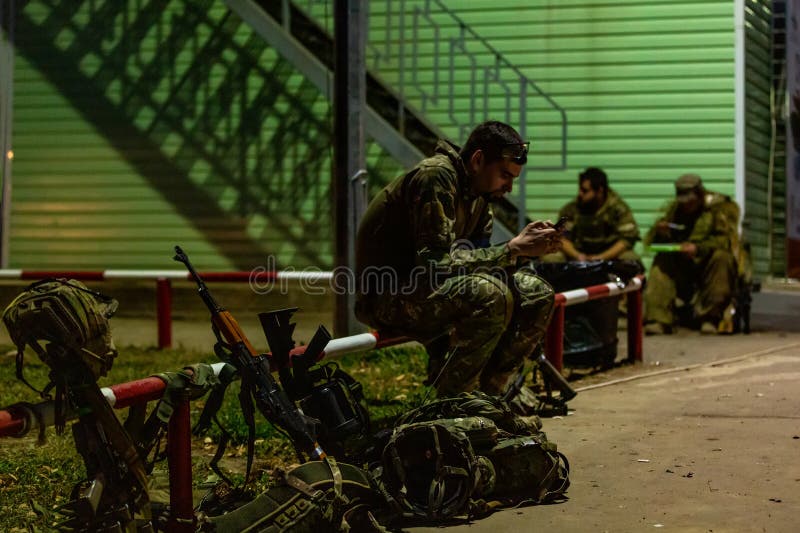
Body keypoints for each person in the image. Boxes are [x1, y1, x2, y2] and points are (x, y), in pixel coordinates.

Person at [354, 121, 561, 397]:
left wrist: (527, 252)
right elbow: (435, 266)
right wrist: (512, 249)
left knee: (536, 293)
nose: (509, 187)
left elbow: (478, 260)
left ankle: (493, 396)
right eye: (504, 175)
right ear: (477, 160)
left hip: (426, 290)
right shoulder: (436, 177)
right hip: (387, 295)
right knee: (490, 295)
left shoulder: (479, 197)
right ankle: (453, 403)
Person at [643, 174, 739, 335]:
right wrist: (662, 233)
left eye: (690, 201)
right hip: (683, 265)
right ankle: (659, 318)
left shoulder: (719, 208)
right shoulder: (675, 211)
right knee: (662, 260)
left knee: (722, 258)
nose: (686, 206)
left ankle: (710, 318)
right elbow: (652, 242)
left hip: (708, 264)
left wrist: (698, 249)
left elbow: (725, 241)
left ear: (700, 195)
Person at [543, 167, 640, 262]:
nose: (580, 194)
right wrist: (578, 256)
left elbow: (627, 239)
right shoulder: (572, 209)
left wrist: (602, 257)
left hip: (609, 255)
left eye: (585, 191)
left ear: (600, 191)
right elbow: (561, 238)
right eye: (580, 189)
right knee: (551, 258)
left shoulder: (618, 209)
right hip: (578, 255)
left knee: (630, 259)